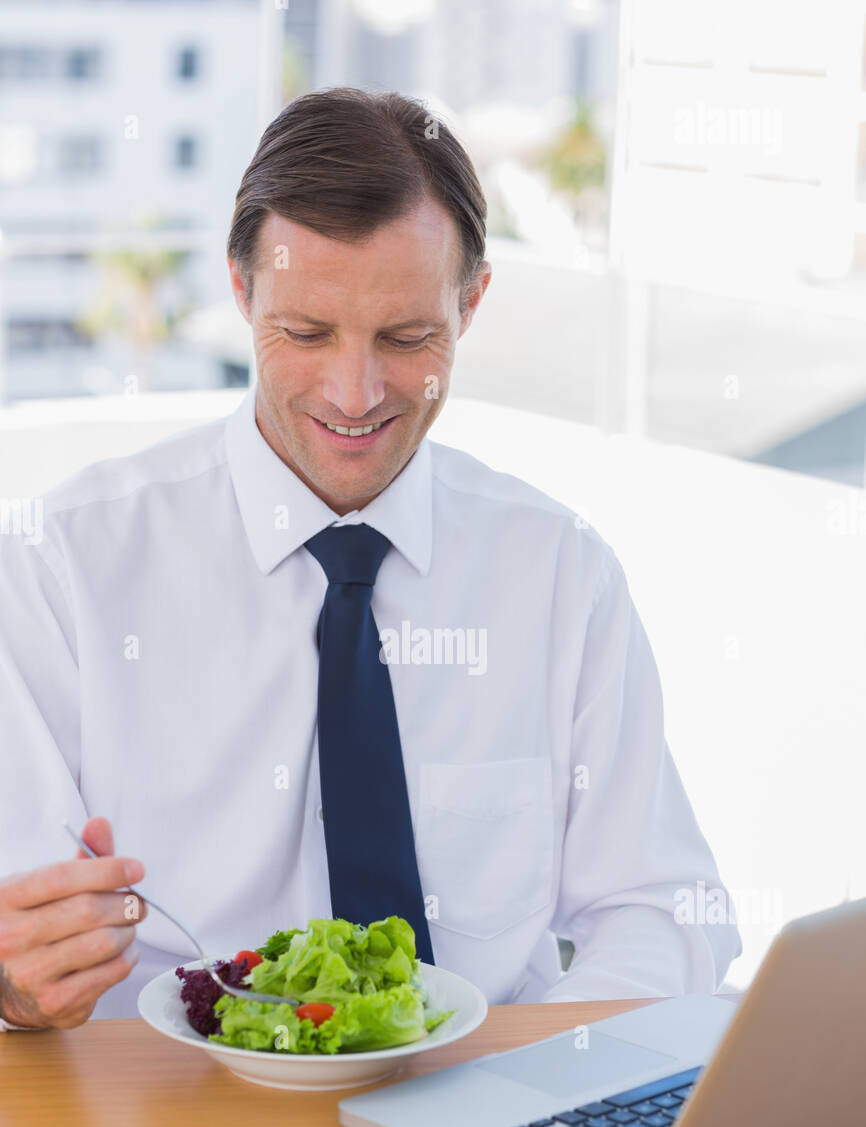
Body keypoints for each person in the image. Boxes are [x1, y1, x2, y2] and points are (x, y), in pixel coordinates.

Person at [0, 88, 740, 1032]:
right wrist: (17, 984)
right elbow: (20, 942)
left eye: (407, 337)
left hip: (483, 1105)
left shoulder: (560, 575)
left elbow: (663, 907)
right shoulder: (60, 569)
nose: (356, 393)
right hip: (172, 1117)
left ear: (469, 304)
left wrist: (539, 1074)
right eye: (306, 334)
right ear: (242, 290)